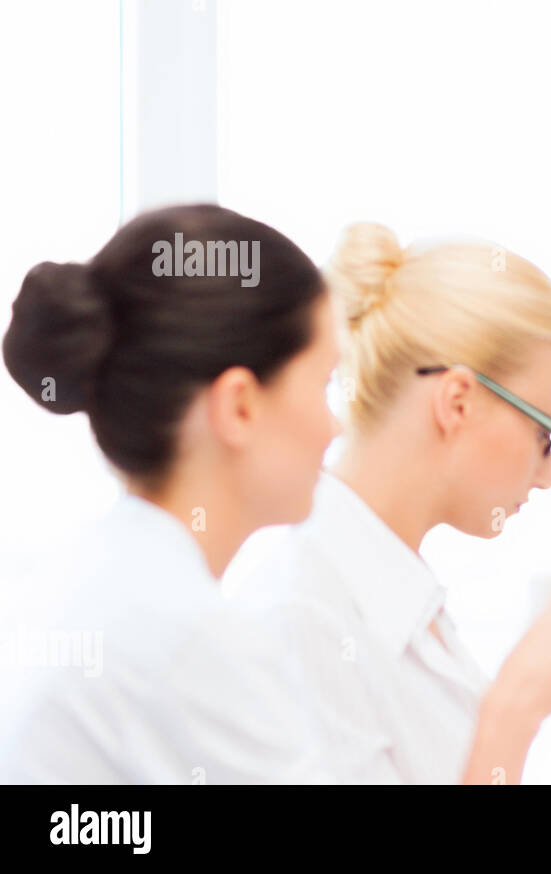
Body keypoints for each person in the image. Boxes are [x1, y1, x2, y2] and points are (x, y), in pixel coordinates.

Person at [228, 222, 551, 784]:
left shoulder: (401, 598)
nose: (548, 476)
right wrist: (516, 707)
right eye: (545, 435)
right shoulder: (302, 615)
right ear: (457, 401)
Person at [0, 204, 342, 782]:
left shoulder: (97, 580)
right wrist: (518, 705)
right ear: (239, 406)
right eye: (323, 383)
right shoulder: (188, 636)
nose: (335, 428)